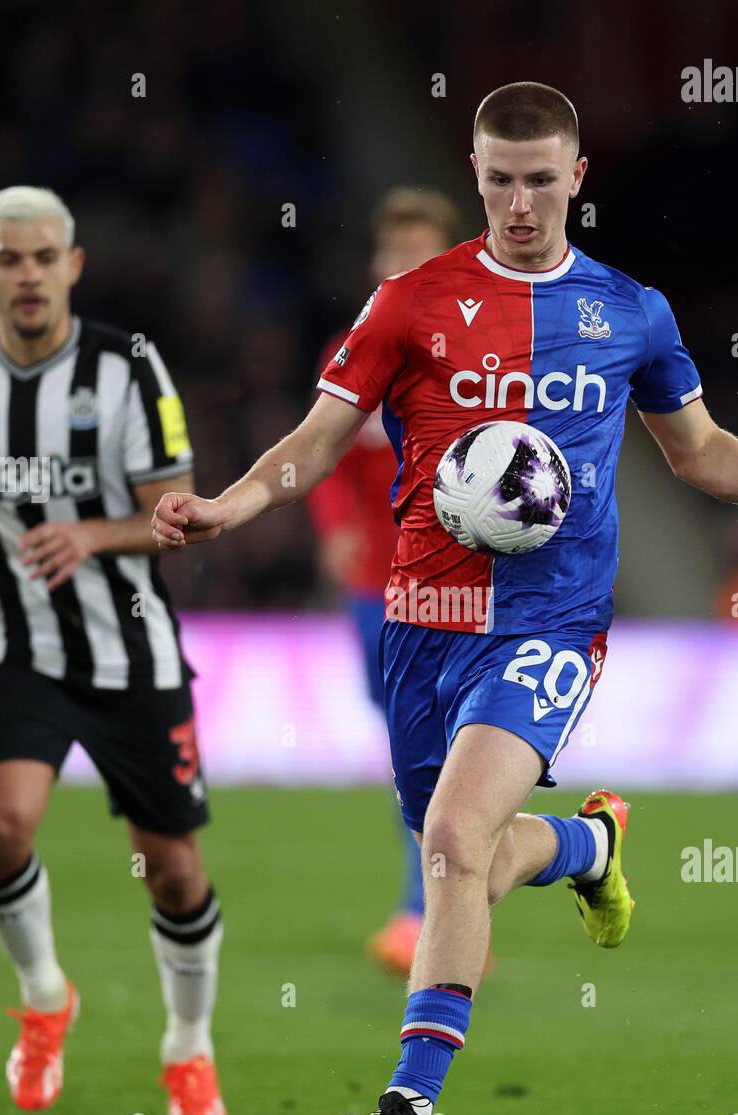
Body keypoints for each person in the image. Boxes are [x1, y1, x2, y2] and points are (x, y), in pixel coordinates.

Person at [151, 83, 738, 1115]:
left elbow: (698, 450)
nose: (521, 202)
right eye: (499, 179)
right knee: (470, 864)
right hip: (419, 624)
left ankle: (408, 1105)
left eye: (541, 180)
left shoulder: (632, 310)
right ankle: (586, 845)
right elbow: (314, 439)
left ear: (576, 177)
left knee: (447, 837)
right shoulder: (407, 302)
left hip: (550, 621)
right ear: (474, 178)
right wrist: (225, 505)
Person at [0, 186, 226, 1115]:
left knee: (174, 871)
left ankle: (187, 1046)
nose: (28, 274)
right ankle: (43, 997)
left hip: (133, 655)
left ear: (73, 266)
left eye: (45, 258)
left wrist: (90, 534)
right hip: (13, 650)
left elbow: (177, 512)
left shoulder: (127, 367)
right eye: (10, 258)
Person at [307, 187, 460, 976]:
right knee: (410, 750)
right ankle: (453, 894)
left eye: (421, 253)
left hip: (453, 583)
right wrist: (333, 524)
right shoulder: (354, 345)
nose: (405, 266)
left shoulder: (475, 355)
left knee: (428, 749)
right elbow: (323, 455)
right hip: (373, 584)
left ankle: (424, 912)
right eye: (394, 253)